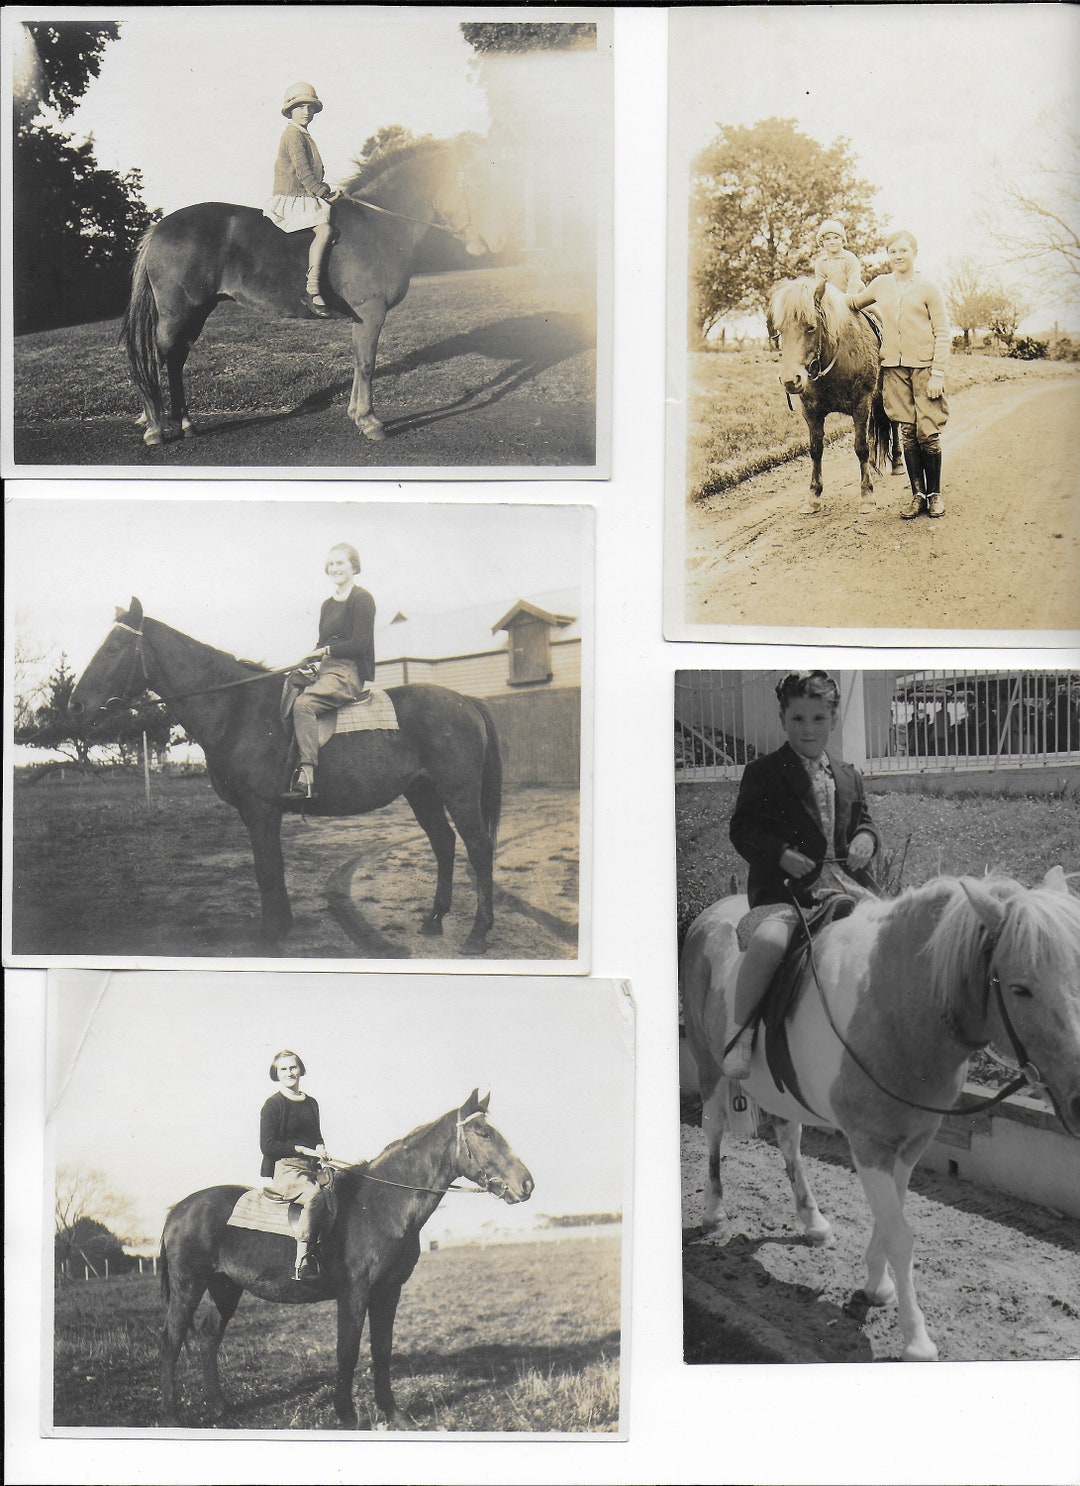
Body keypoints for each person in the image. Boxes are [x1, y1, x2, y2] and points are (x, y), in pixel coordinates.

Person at [721, 671, 879, 1080]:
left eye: (818, 719)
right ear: (782, 719)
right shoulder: (765, 772)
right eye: (798, 719)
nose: (808, 729)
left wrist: (865, 838)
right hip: (787, 891)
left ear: (834, 719)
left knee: (892, 930)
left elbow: (865, 820)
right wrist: (781, 854)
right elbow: (743, 830)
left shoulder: (848, 774)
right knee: (771, 940)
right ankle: (742, 1032)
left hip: (846, 885)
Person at [848, 230, 951, 519]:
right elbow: (853, 302)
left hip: (925, 368)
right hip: (893, 368)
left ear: (914, 252)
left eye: (903, 250)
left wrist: (938, 373)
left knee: (927, 434)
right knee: (907, 433)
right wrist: (824, 295)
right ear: (888, 255)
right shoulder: (881, 284)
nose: (898, 256)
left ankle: (935, 495)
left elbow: (942, 332)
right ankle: (917, 496)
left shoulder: (928, 287)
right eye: (893, 252)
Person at [281, 543, 376, 801]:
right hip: (326, 670)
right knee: (287, 692)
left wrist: (323, 653)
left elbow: (360, 643)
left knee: (304, 705)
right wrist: (306, 661)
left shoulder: (361, 599)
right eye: (331, 564)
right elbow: (321, 644)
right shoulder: (327, 605)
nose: (335, 568)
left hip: (348, 673)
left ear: (354, 566)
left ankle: (308, 774)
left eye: (340, 563)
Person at [263, 82, 338, 317]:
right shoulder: (293, 135)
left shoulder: (304, 135)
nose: (306, 112)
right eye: (300, 107)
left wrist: (327, 189)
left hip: (305, 194)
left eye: (310, 107)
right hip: (293, 197)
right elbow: (304, 172)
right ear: (290, 110)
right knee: (324, 230)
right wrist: (323, 192)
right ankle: (313, 289)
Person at [260, 1049, 330, 1280]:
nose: (289, 1072)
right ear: (276, 1074)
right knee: (314, 1197)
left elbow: (317, 1136)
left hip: (312, 1167)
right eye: (283, 1069)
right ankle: (303, 1260)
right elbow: (267, 1146)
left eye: (293, 1067)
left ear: (300, 1070)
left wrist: (320, 1148)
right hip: (286, 1169)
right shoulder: (272, 1105)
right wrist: (297, 1148)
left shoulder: (312, 1103)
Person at [813, 219, 865, 295]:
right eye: (827, 239)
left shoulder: (849, 258)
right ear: (822, 242)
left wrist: (848, 300)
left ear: (842, 240)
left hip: (855, 296)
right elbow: (820, 286)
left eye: (836, 238)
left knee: (871, 307)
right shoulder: (820, 262)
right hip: (834, 299)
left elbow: (854, 282)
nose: (832, 242)